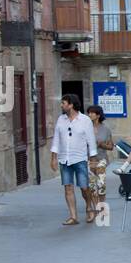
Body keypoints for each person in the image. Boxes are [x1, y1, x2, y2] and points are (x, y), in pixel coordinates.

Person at [50, 94, 97, 225]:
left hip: (80, 158)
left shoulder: (85, 120)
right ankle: (73, 216)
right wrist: (53, 157)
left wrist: (92, 160)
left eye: (63, 103)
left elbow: (91, 141)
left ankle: (89, 207)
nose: (61, 105)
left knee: (84, 187)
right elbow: (56, 139)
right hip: (64, 159)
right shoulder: (61, 119)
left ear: (71, 105)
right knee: (68, 187)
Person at [86, 103, 115, 215]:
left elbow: (111, 146)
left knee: (101, 183)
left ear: (98, 115)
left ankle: (101, 205)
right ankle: (96, 206)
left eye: (92, 113)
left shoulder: (105, 129)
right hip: (88, 159)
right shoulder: (85, 128)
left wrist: (102, 144)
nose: (90, 114)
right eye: (89, 112)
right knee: (92, 185)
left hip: (101, 159)